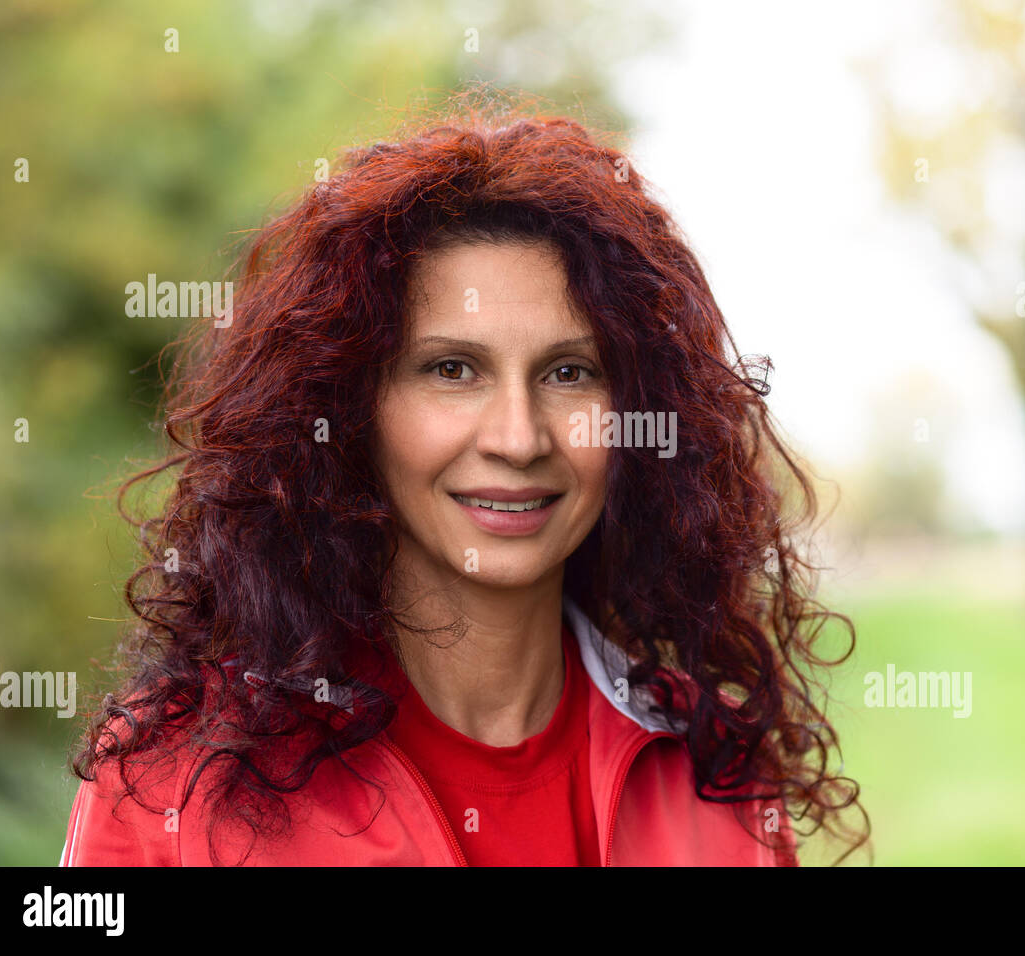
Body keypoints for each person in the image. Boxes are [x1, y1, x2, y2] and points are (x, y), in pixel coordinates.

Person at [60, 104, 867, 866]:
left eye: (568, 372)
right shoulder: (173, 779)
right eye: (452, 369)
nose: (518, 438)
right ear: (351, 408)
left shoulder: (715, 773)